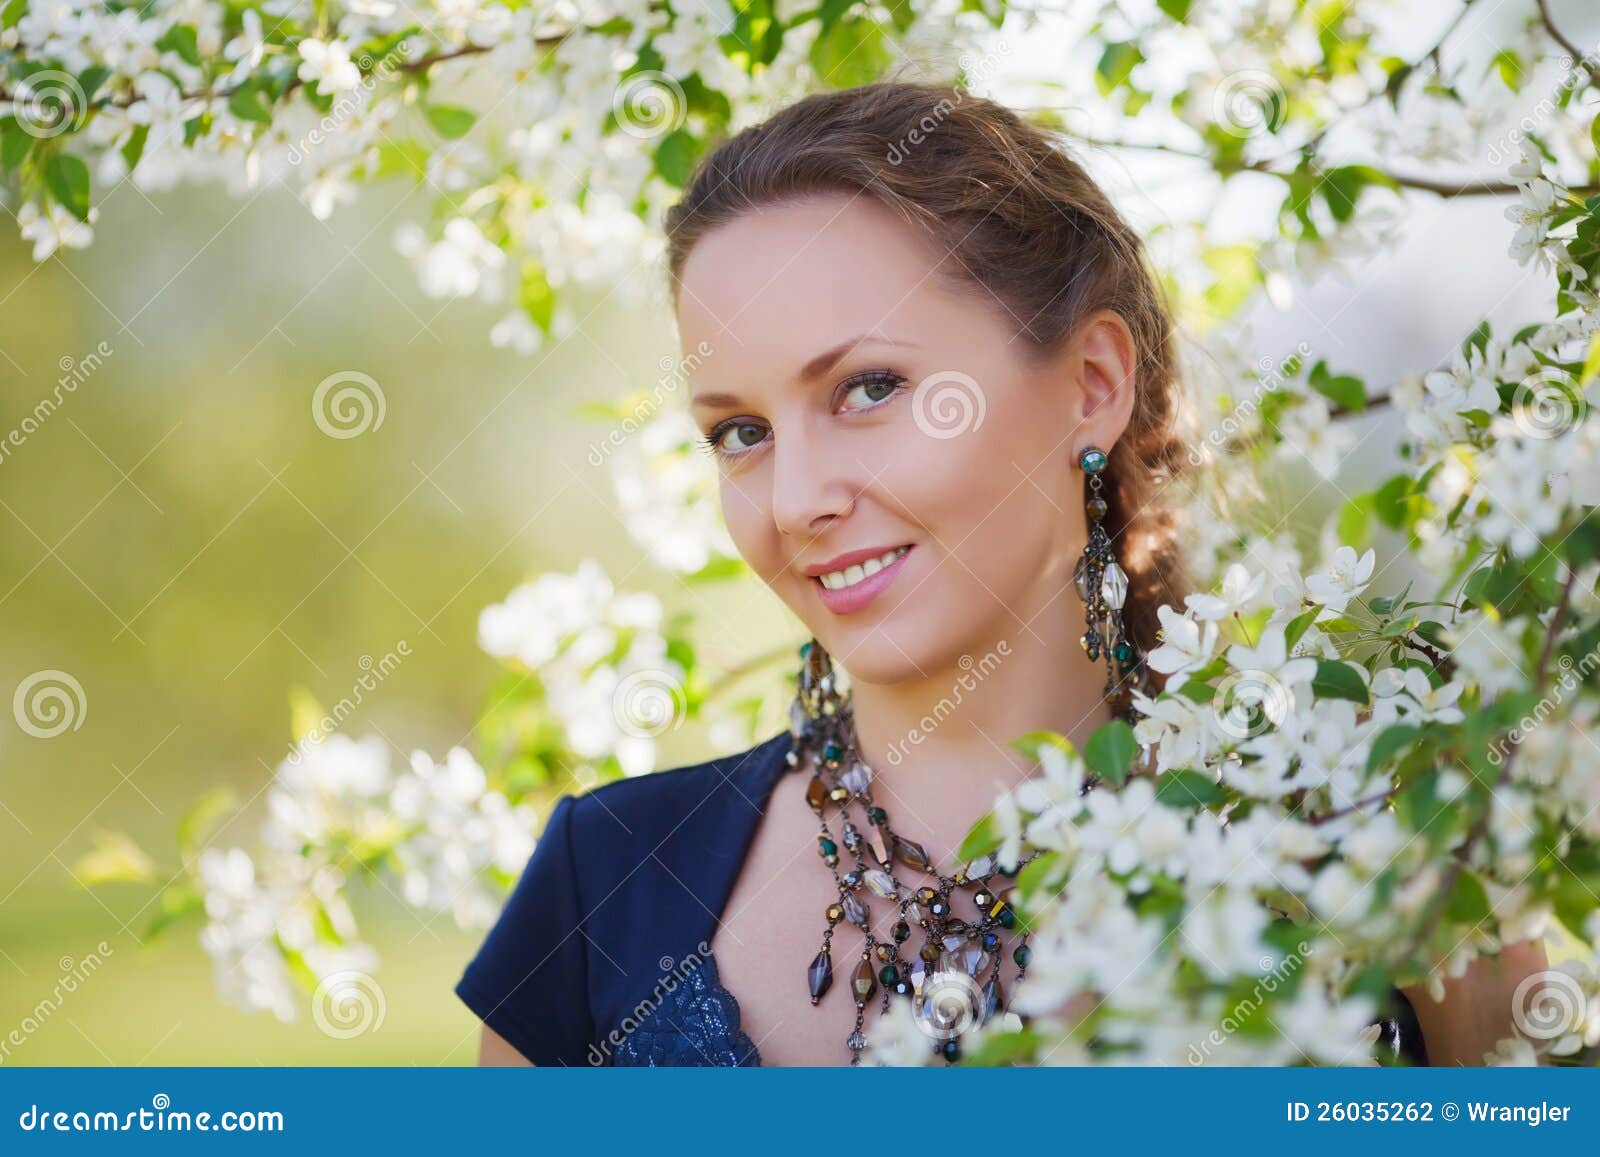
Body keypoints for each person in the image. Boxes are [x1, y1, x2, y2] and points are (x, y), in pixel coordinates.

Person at [455, 80, 1546, 1067]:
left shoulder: (1381, 836)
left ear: (1089, 382)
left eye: (868, 387)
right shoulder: (603, 885)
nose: (794, 501)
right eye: (740, 431)